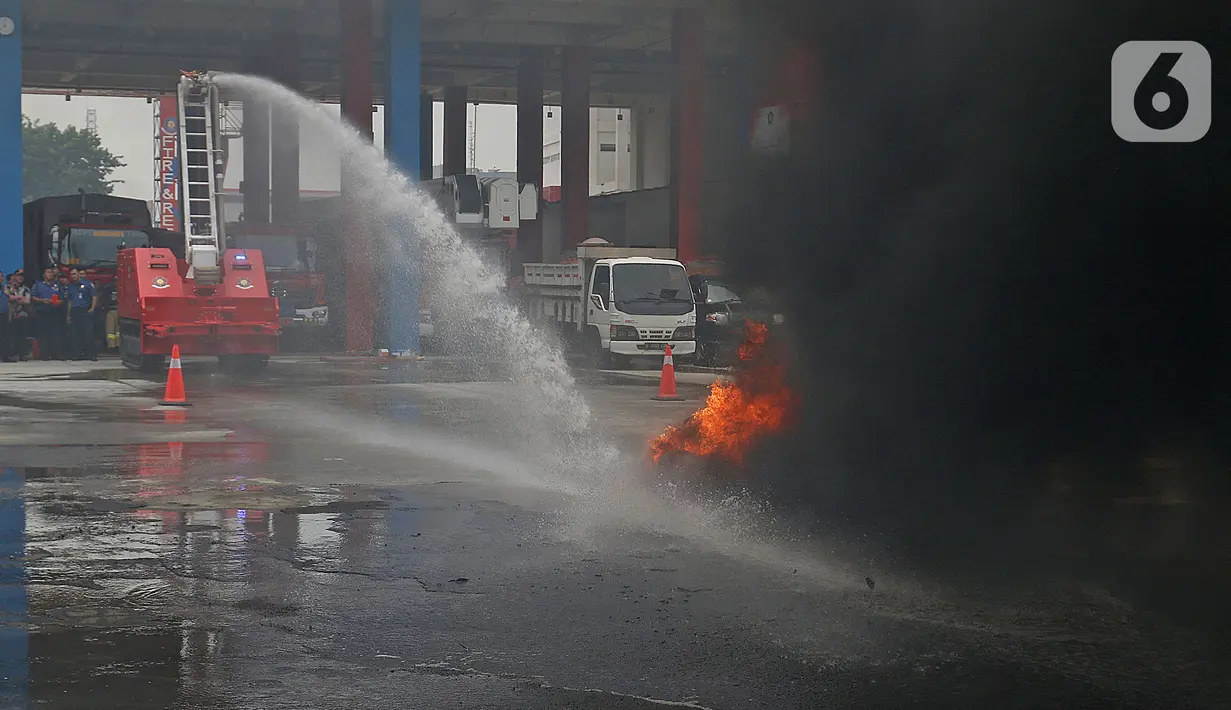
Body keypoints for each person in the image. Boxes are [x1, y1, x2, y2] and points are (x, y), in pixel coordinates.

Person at [30, 267, 66, 361]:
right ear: (43, 275)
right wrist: (42, 300)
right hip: (42, 311)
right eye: (48, 272)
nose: (50, 274)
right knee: (43, 333)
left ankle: (56, 354)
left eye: (51, 272)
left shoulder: (57, 285)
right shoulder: (37, 285)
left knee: (56, 333)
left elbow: (62, 298)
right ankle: (44, 355)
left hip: (54, 312)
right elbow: (32, 297)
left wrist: (59, 302)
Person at [65, 269, 98, 361]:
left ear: (79, 274)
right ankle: (76, 355)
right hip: (74, 311)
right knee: (74, 334)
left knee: (88, 333)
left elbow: (94, 296)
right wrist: (68, 315)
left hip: (85, 310)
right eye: (71, 274)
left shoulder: (88, 284)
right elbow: (70, 302)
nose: (73, 276)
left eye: (74, 274)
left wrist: (92, 308)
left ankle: (91, 355)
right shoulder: (70, 286)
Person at [5, 271, 30, 361]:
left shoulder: (26, 289)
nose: (21, 278)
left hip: (23, 314)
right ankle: (12, 354)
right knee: (11, 334)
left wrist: (15, 298)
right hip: (10, 315)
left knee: (22, 335)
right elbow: (8, 298)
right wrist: (19, 298)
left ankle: (22, 354)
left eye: (22, 276)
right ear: (15, 276)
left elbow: (27, 301)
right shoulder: (7, 287)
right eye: (19, 275)